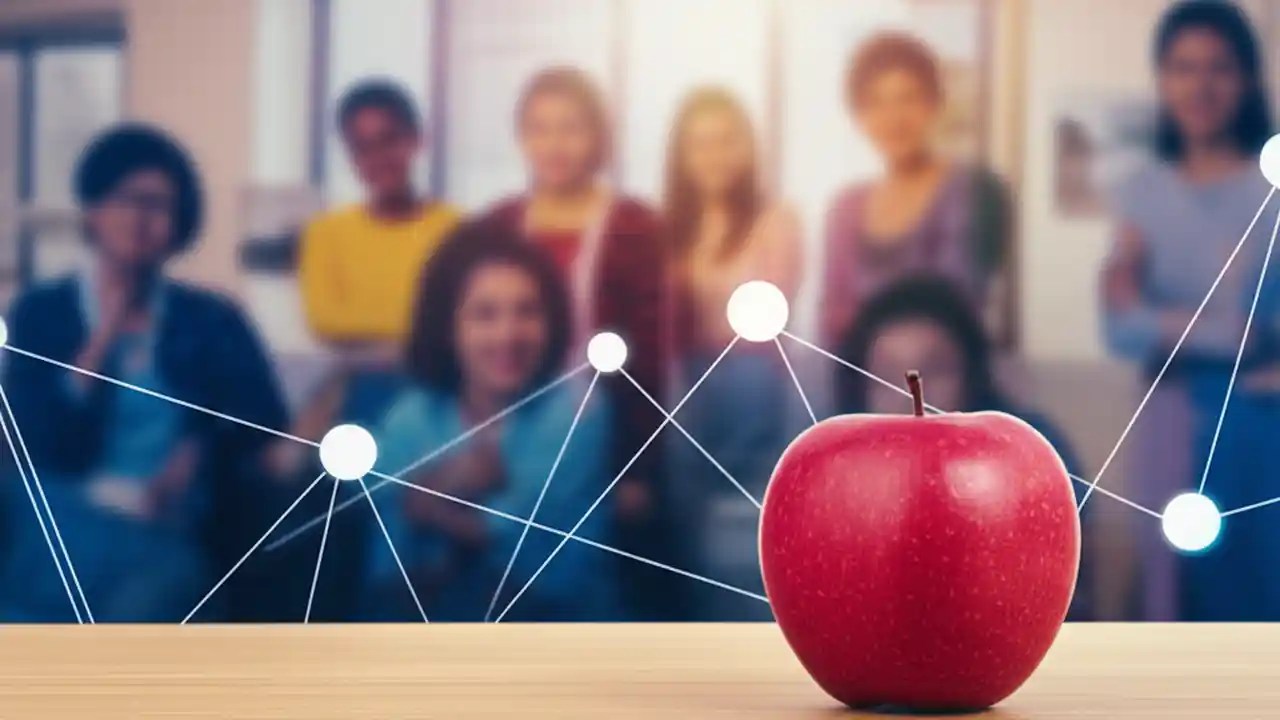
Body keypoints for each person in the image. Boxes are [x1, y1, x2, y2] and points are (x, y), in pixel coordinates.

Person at [0, 125, 289, 622]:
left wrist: (200, 447)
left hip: (158, 528)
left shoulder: (212, 319)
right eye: (126, 198)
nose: (140, 217)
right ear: (93, 210)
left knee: (149, 606)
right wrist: (103, 335)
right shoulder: (42, 312)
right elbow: (32, 441)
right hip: (50, 516)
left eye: (159, 205)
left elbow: (263, 419)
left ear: (178, 225)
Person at [1103, 0, 1280, 621]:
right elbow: (1120, 328)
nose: (1199, 86)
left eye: (1219, 68)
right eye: (1182, 67)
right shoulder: (1142, 191)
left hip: (1264, 425)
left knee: (1262, 591)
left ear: (1248, 78)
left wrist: (1172, 321)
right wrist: (1217, 330)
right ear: (1162, 78)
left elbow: (1262, 331)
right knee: (1174, 596)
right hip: (1169, 416)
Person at [480, 67, 672, 617]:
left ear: (599, 138)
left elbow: (652, 358)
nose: (555, 144)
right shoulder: (497, 223)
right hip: (509, 428)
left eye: (571, 128)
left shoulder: (634, 224)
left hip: (601, 435)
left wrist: (638, 468)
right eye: (540, 129)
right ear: (521, 138)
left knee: (581, 583)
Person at [363, 221, 617, 621]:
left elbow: (527, 545)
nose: (508, 335)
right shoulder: (416, 410)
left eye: (527, 312)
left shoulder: (577, 407)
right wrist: (457, 478)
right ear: (449, 329)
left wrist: (427, 503)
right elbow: (377, 514)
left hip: (559, 634)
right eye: (484, 314)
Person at [835, 276, 1092, 619]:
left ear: (971, 374)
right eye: (884, 375)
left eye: (935, 371)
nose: (905, 394)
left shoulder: (1032, 450)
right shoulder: (837, 468)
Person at [661, 87, 803, 620]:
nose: (714, 155)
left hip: (748, 381)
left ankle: (739, 598)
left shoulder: (775, 219)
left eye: (726, 140)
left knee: (742, 378)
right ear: (681, 155)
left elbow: (766, 315)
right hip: (682, 383)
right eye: (700, 144)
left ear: (748, 147)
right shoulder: (670, 226)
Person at [821, 32, 1010, 348]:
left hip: (945, 382)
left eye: (908, 98)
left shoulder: (977, 192)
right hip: (864, 383)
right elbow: (834, 318)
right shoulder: (845, 207)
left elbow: (956, 306)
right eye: (875, 103)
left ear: (935, 103)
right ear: (859, 116)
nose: (893, 118)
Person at [299, 79, 461, 425]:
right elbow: (326, 320)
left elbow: (460, 321)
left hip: (439, 383)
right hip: (362, 386)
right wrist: (416, 337)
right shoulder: (325, 232)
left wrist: (375, 342)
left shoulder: (456, 229)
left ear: (416, 140)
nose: (377, 159)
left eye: (389, 141)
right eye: (362, 147)